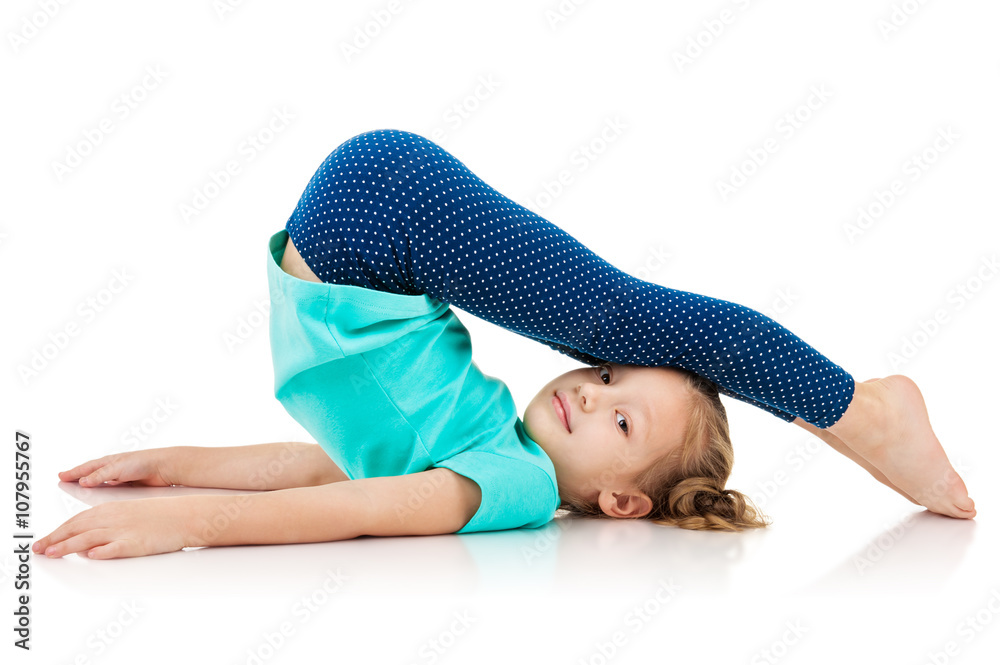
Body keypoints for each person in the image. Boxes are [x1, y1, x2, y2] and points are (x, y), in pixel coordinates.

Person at [33, 130, 975, 560]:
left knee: (625, 312)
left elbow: (337, 485)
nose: (588, 390)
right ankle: (863, 405)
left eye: (619, 417)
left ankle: (863, 406)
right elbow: (362, 502)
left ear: (618, 498)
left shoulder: (514, 488)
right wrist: (182, 507)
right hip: (378, 215)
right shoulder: (504, 456)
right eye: (606, 381)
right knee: (620, 310)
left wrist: (176, 484)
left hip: (367, 212)